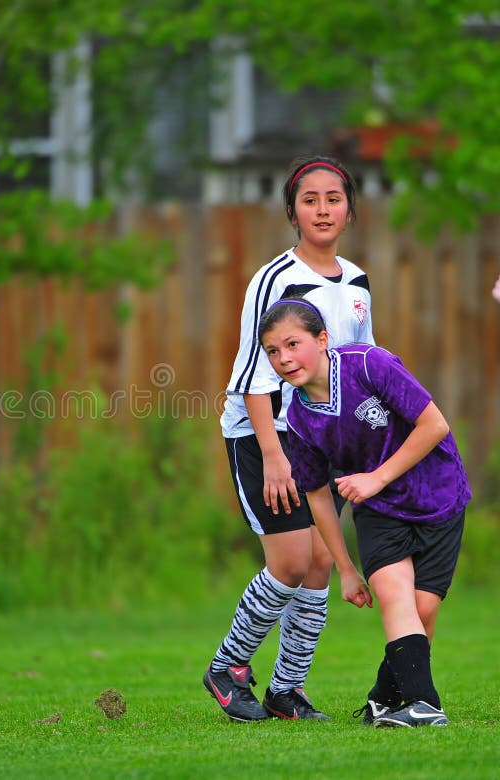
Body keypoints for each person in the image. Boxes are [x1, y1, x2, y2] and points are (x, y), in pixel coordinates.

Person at [203, 156, 374, 721]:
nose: (322, 209)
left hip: (319, 440)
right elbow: (253, 374)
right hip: (263, 435)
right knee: (293, 560)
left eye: (333, 198)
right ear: (293, 212)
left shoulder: (355, 282)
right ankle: (227, 667)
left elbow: (359, 366)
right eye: (309, 200)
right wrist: (273, 458)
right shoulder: (275, 277)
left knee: (323, 560)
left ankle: (286, 691)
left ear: (349, 208)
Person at [257, 299, 470, 727]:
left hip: (438, 496)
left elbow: (435, 426)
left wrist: (376, 477)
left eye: (293, 344)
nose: (284, 358)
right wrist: (346, 569)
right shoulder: (297, 419)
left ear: (322, 340)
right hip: (379, 512)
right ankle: (424, 706)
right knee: (396, 598)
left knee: (422, 611)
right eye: (273, 352)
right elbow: (317, 494)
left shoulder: (370, 365)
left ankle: (383, 699)